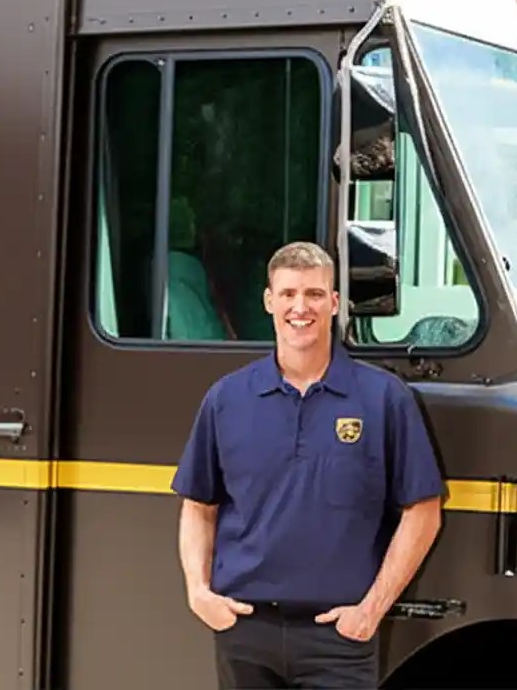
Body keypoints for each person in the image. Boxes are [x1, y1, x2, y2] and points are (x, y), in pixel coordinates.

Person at [171, 240, 446, 689]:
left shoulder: (384, 398)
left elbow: (424, 512)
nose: (301, 307)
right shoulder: (226, 398)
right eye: (288, 294)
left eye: (314, 294)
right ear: (269, 301)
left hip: (339, 639)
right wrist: (198, 593)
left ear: (334, 302)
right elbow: (199, 506)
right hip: (245, 632)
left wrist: (370, 610)